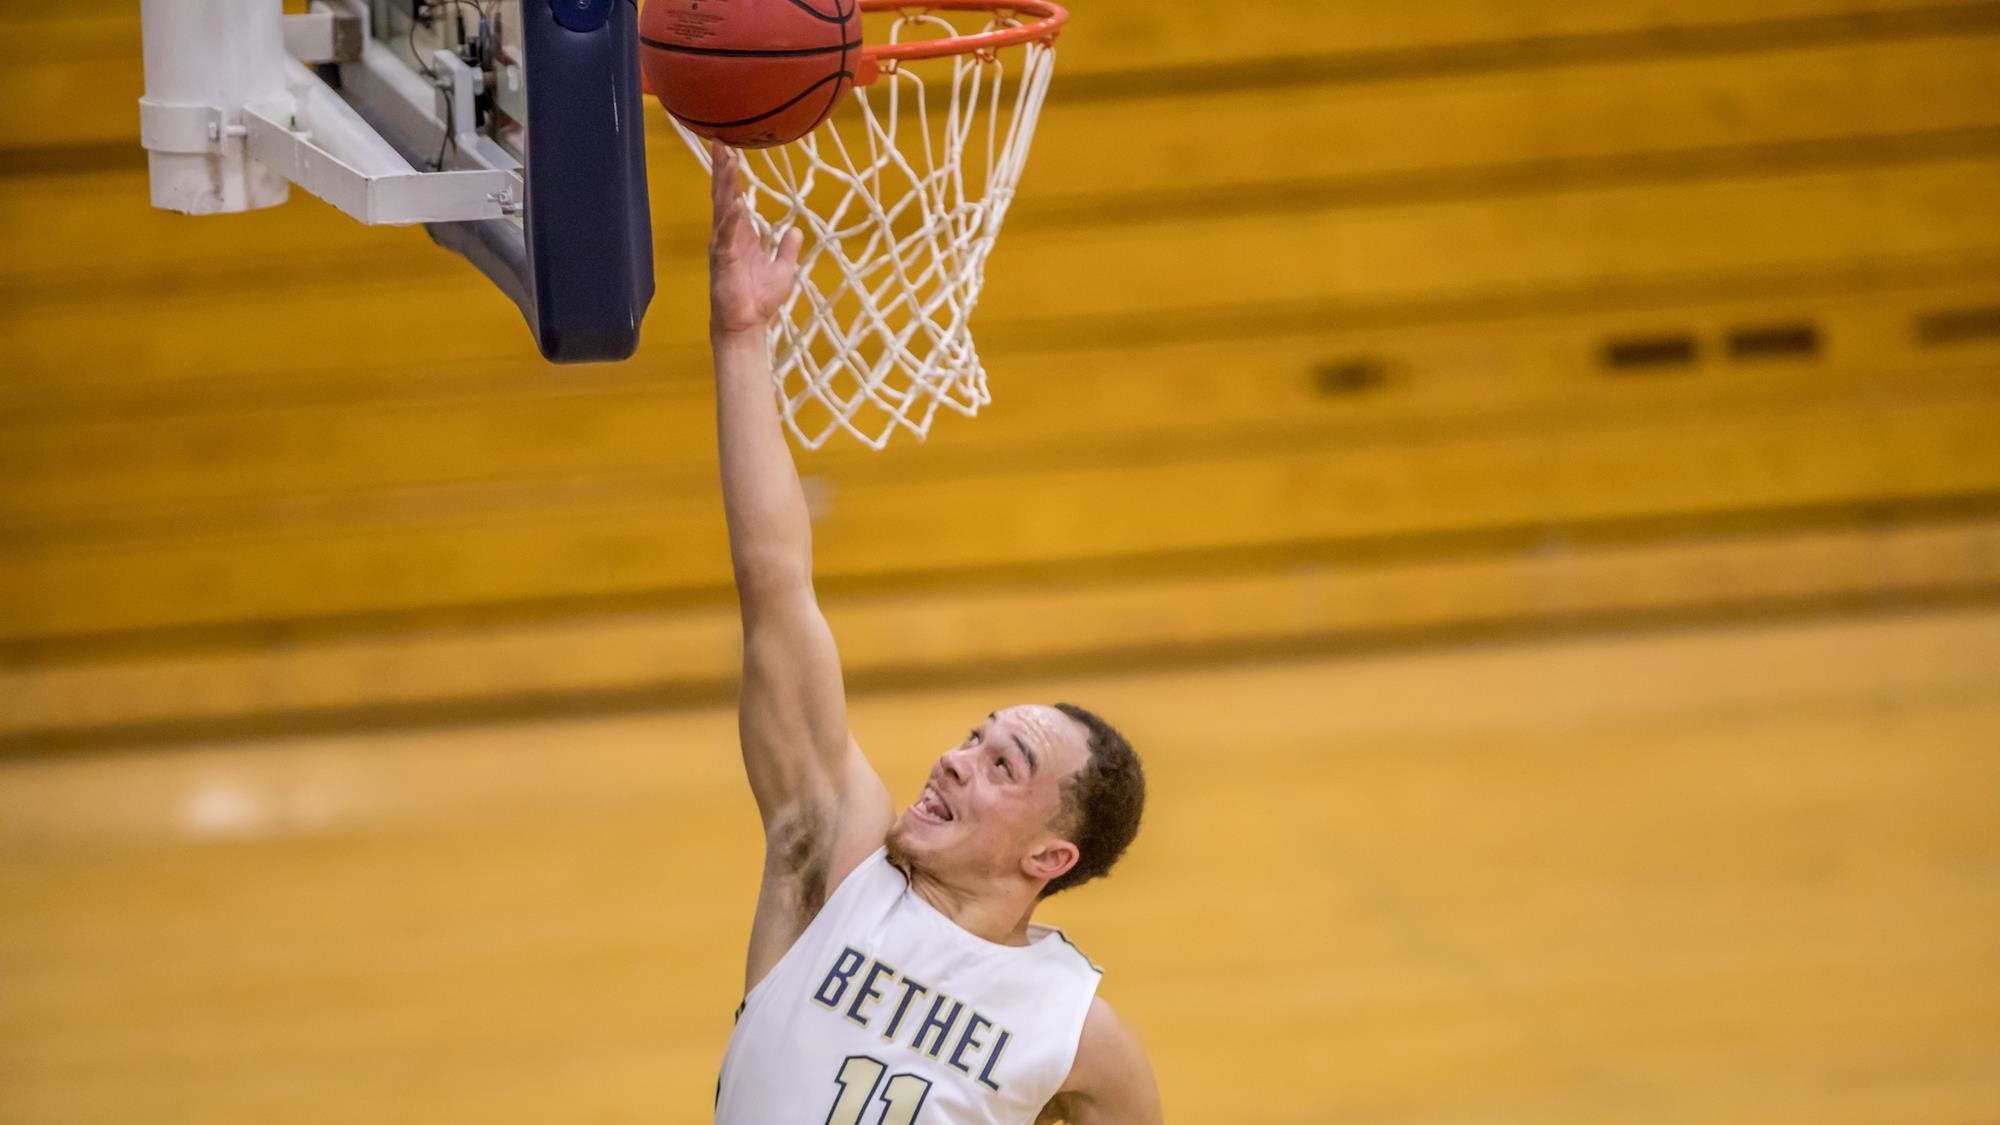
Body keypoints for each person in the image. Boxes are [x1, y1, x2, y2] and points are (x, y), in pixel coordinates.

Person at [703, 142, 1165, 1125]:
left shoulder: (1079, 1038)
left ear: (1050, 857)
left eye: (1003, 766)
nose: (955, 759)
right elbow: (775, 586)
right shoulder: (834, 862)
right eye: (974, 737)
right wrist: (742, 338)